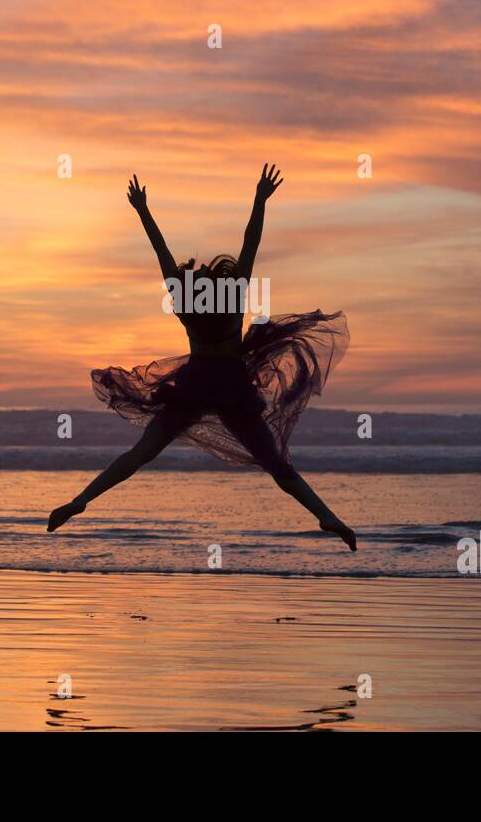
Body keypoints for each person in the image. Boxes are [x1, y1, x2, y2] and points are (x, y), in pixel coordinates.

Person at [48, 164, 356, 550]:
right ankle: (327, 515)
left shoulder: (185, 304)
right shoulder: (233, 300)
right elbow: (251, 243)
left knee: (141, 453)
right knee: (277, 465)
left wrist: (142, 210)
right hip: (231, 387)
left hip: (194, 385)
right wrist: (260, 200)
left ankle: (81, 500)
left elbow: (162, 253)